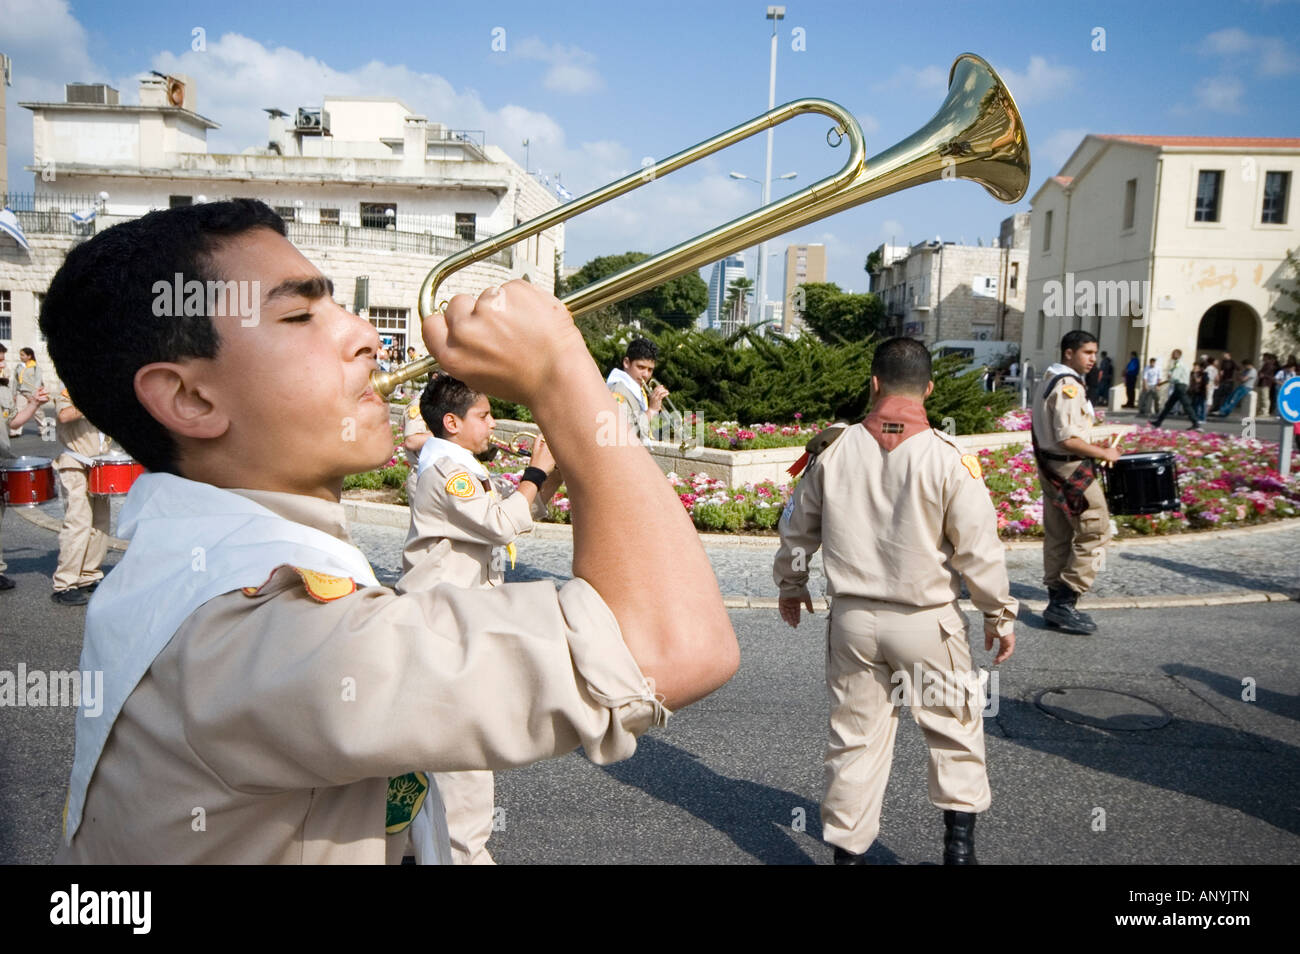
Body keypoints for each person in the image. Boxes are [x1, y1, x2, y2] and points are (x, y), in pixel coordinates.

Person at [41, 199, 738, 864]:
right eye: (298, 316)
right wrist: (560, 369)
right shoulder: (261, 628)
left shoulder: (201, 572)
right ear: (190, 398)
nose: (366, 337)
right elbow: (676, 646)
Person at [773, 337, 1017, 866]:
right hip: (927, 623)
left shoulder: (832, 450)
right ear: (928, 389)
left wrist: (792, 586)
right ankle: (957, 853)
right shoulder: (950, 459)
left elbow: (797, 530)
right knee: (953, 732)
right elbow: (979, 550)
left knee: (854, 740)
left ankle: (848, 857)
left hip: (854, 621)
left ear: (874, 384)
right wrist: (998, 614)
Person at [399, 374, 560, 864]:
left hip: (451, 623)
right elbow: (497, 523)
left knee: (439, 752)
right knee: (465, 756)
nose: (492, 424)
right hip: (445, 627)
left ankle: (428, 849)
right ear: (452, 423)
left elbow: (511, 514)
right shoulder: (451, 471)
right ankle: (464, 855)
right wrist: (534, 473)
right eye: (484, 415)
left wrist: (551, 472)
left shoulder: (454, 464)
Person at [1031, 330, 1121, 635]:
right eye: (1087, 352)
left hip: (1051, 467)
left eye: (1095, 353)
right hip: (1069, 470)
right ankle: (1066, 600)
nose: (1093, 359)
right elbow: (1067, 438)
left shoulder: (1049, 378)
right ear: (1069, 353)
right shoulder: (1068, 385)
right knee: (1096, 530)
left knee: (1058, 534)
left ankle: (1057, 598)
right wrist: (1103, 452)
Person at [50, 388, 116, 606]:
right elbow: (64, 416)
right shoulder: (68, 391)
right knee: (78, 523)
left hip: (100, 466)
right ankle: (65, 583)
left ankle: (89, 574)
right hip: (75, 464)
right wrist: (92, 399)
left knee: (100, 524)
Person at [0, 382, 51, 591]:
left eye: (2, 360)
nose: (2, 364)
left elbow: (12, 422)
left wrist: (33, 404)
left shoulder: (2, 390)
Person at [606, 337, 668, 444]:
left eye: (650, 369)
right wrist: (651, 410)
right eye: (641, 367)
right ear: (626, 363)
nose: (646, 375)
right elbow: (623, 433)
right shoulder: (618, 391)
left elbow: (648, 431)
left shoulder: (638, 390)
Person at [1148, 348, 1199, 430]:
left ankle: (1196, 423)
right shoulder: (1182, 363)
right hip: (1180, 386)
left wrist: (1169, 377)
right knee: (1169, 405)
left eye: (1173, 354)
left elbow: (1175, 377)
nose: (1171, 355)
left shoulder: (1178, 364)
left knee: (1186, 405)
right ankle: (1158, 422)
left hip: (1180, 386)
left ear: (1177, 355)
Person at [13, 347, 50, 439]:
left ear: (29, 356)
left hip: (32, 393)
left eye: (23, 355)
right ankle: (15, 431)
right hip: (21, 392)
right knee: (18, 411)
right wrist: (14, 393)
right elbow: (15, 380)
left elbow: (38, 381)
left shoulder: (35, 367)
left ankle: (45, 430)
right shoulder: (19, 366)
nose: (20, 357)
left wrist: (34, 395)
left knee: (38, 412)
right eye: (20, 355)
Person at [1188, 361, 1208, 426]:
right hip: (1194, 391)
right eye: (1194, 367)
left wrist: (1207, 393)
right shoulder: (1192, 373)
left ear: (1199, 368)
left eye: (1196, 367)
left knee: (1202, 406)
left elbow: (1198, 381)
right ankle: (1196, 418)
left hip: (1202, 392)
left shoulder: (1203, 374)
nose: (1194, 368)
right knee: (1195, 405)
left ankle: (1203, 419)